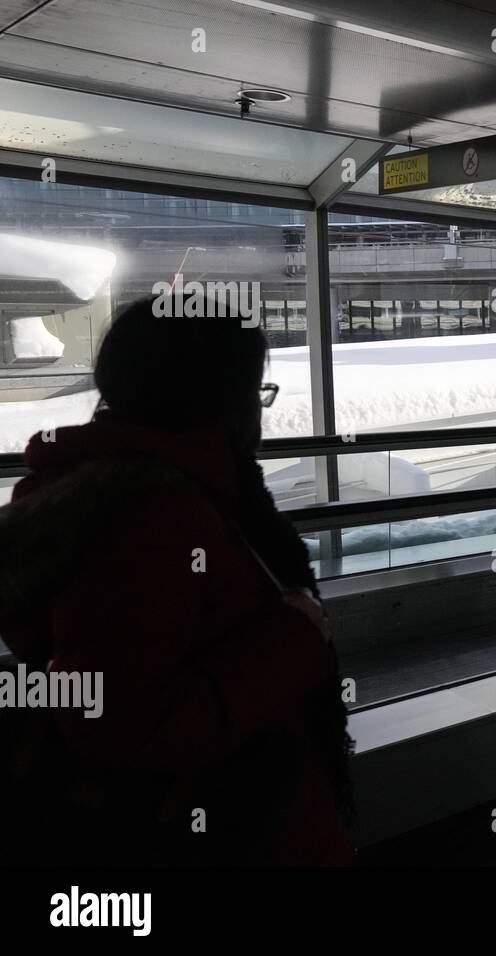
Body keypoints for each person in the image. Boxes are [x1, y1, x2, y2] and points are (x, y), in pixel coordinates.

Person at [0, 297, 355, 865]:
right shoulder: (157, 514)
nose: (258, 409)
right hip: (236, 835)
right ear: (216, 396)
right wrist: (295, 635)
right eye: (254, 389)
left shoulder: (103, 491)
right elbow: (119, 720)